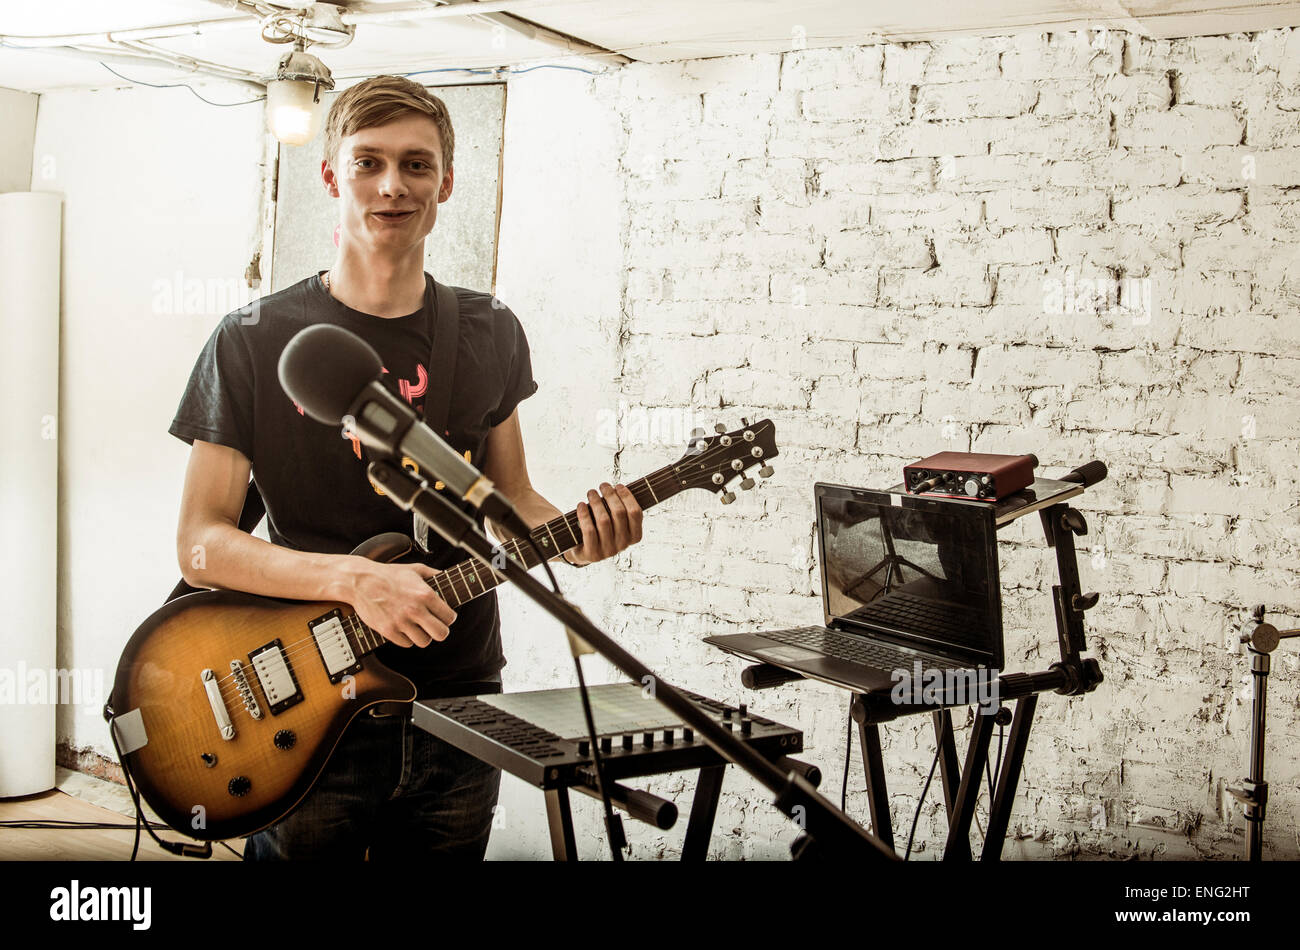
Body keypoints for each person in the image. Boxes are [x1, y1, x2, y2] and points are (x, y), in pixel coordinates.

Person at [168, 75, 642, 860]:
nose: (394, 185)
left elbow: (510, 496)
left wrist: (578, 538)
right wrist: (353, 580)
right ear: (331, 176)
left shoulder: (489, 330)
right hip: (303, 700)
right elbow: (199, 543)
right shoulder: (251, 337)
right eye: (369, 163)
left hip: (461, 703)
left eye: (418, 165)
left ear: (447, 182)